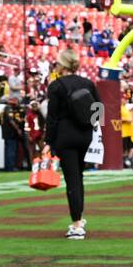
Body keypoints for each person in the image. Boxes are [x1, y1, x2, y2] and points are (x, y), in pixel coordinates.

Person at [42, 50, 97, 239]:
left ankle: (76, 224)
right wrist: (91, 126)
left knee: (72, 179)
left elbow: (52, 117)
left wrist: (48, 141)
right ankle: (79, 218)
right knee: (78, 176)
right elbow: (99, 108)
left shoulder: (56, 86)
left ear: (62, 65)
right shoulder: (88, 83)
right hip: (85, 134)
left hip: (65, 136)